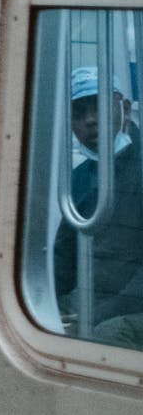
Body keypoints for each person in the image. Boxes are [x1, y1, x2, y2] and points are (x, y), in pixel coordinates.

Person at [51, 66, 143, 338]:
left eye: (99, 107)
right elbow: (63, 257)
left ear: (124, 106)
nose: (90, 120)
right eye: (79, 113)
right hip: (92, 299)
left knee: (106, 337)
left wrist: (92, 317)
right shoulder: (79, 178)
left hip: (130, 306)